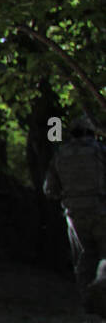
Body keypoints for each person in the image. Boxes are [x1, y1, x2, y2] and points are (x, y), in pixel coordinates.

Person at [43, 115, 106, 308]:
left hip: (74, 214)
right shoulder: (101, 151)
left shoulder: (60, 154)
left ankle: (88, 303)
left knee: (84, 258)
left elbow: (49, 189)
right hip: (101, 208)